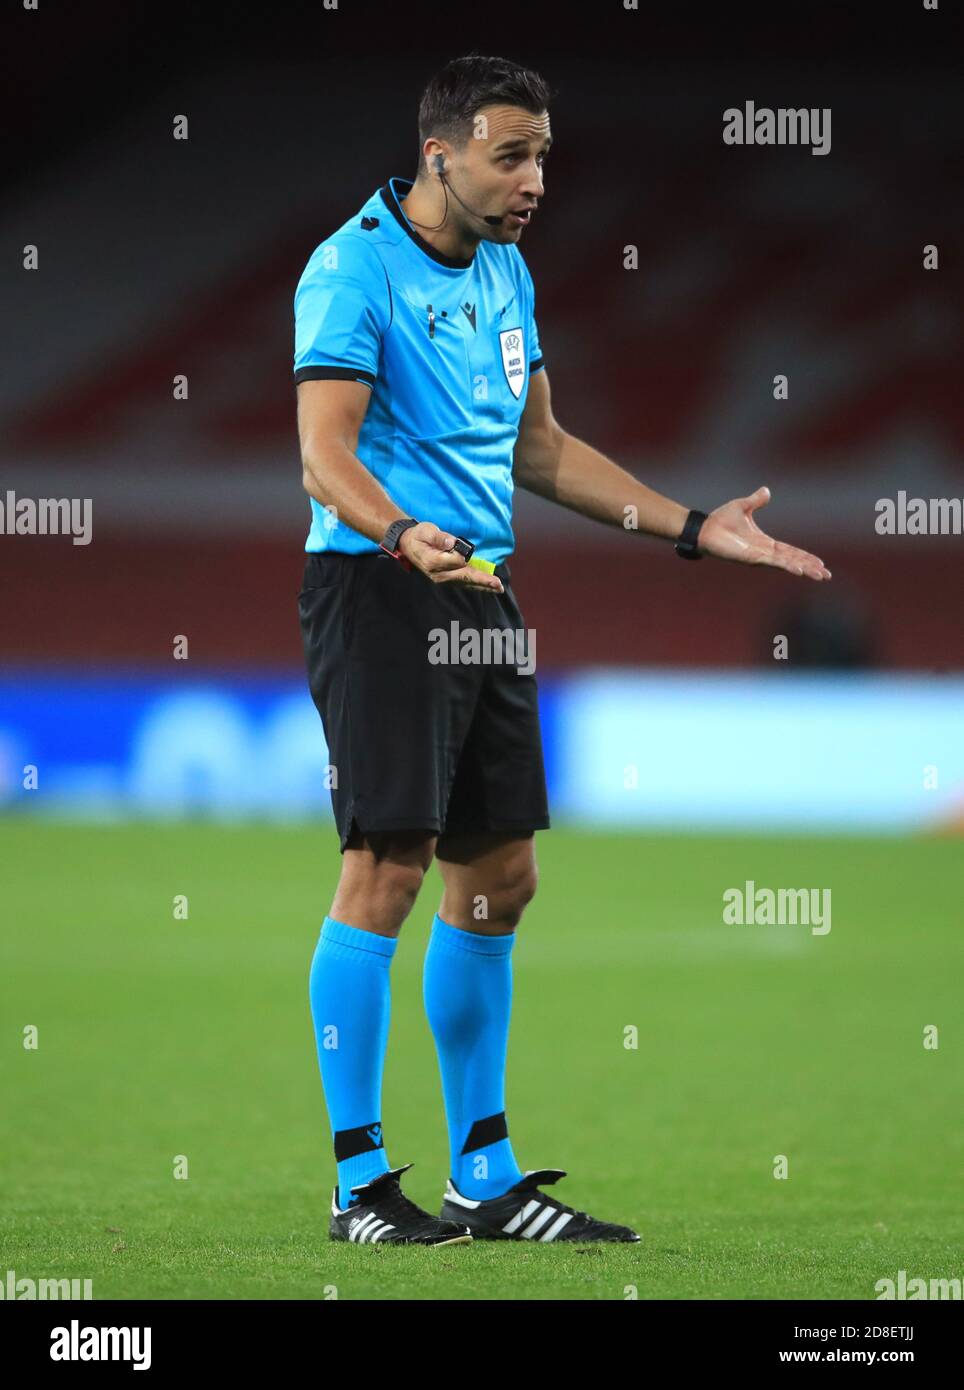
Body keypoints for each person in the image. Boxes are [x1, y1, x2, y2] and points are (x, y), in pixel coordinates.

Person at [294, 53, 831, 1248]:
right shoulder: (350, 268)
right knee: (386, 868)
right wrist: (397, 530)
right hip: (379, 587)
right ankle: (359, 1183)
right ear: (441, 154)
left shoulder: (507, 271)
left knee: (500, 879)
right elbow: (321, 452)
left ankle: (484, 1180)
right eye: (510, 155)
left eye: (541, 155)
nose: (534, 178)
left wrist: (694, 528)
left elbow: (539, 452)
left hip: (480, 588)